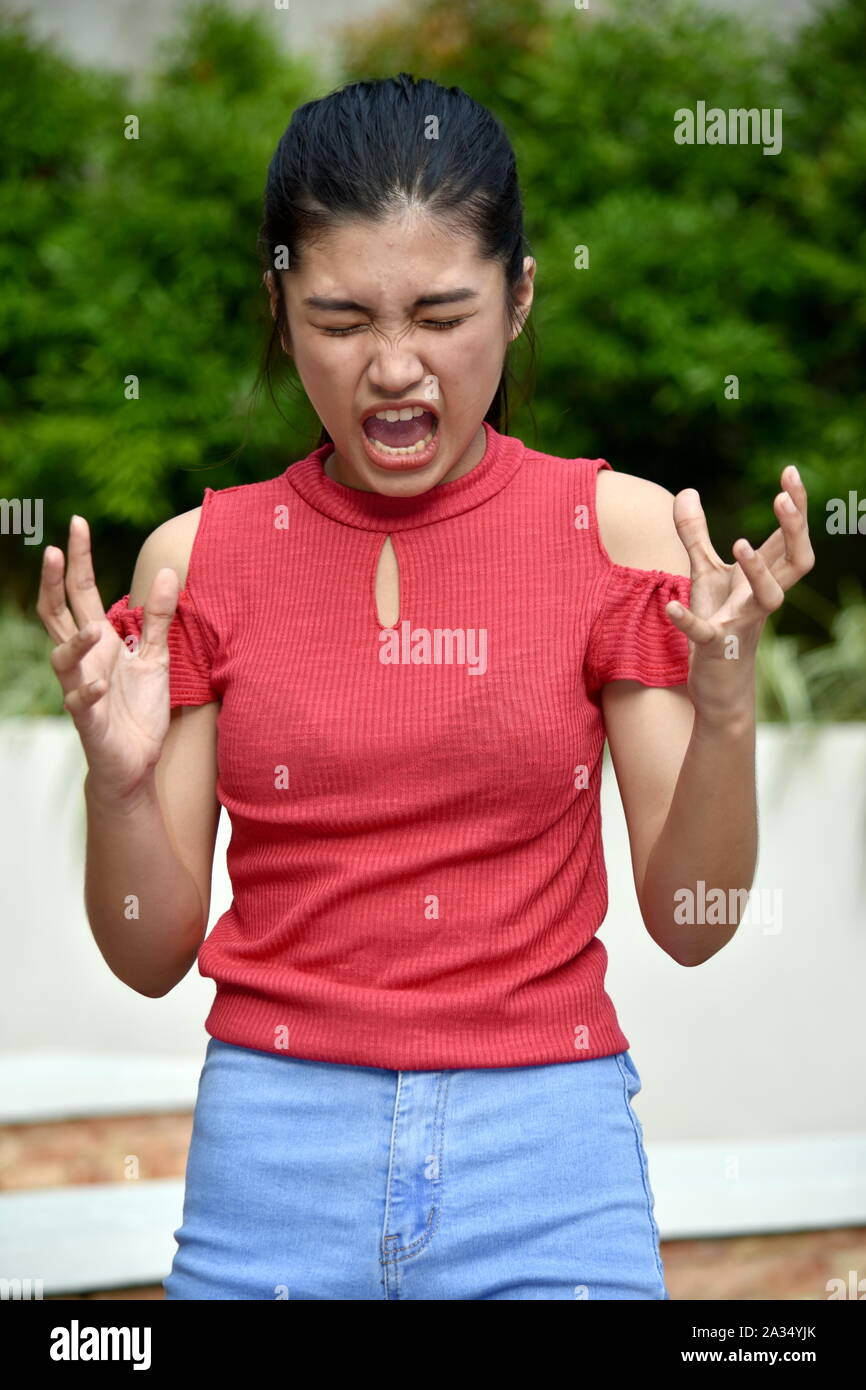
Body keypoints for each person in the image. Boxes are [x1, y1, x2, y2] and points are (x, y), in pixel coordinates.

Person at [37, 73, 813, 1301]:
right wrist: (118, 784)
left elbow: (696, 920)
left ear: (516, 298)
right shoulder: (199, 563)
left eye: (440, 314)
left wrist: (724, 713)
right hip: (273, 1157)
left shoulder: (616, 534)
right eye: (340, 320)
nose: (392, 369)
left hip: (546, 1165)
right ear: (279, 307)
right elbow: (148, 953)